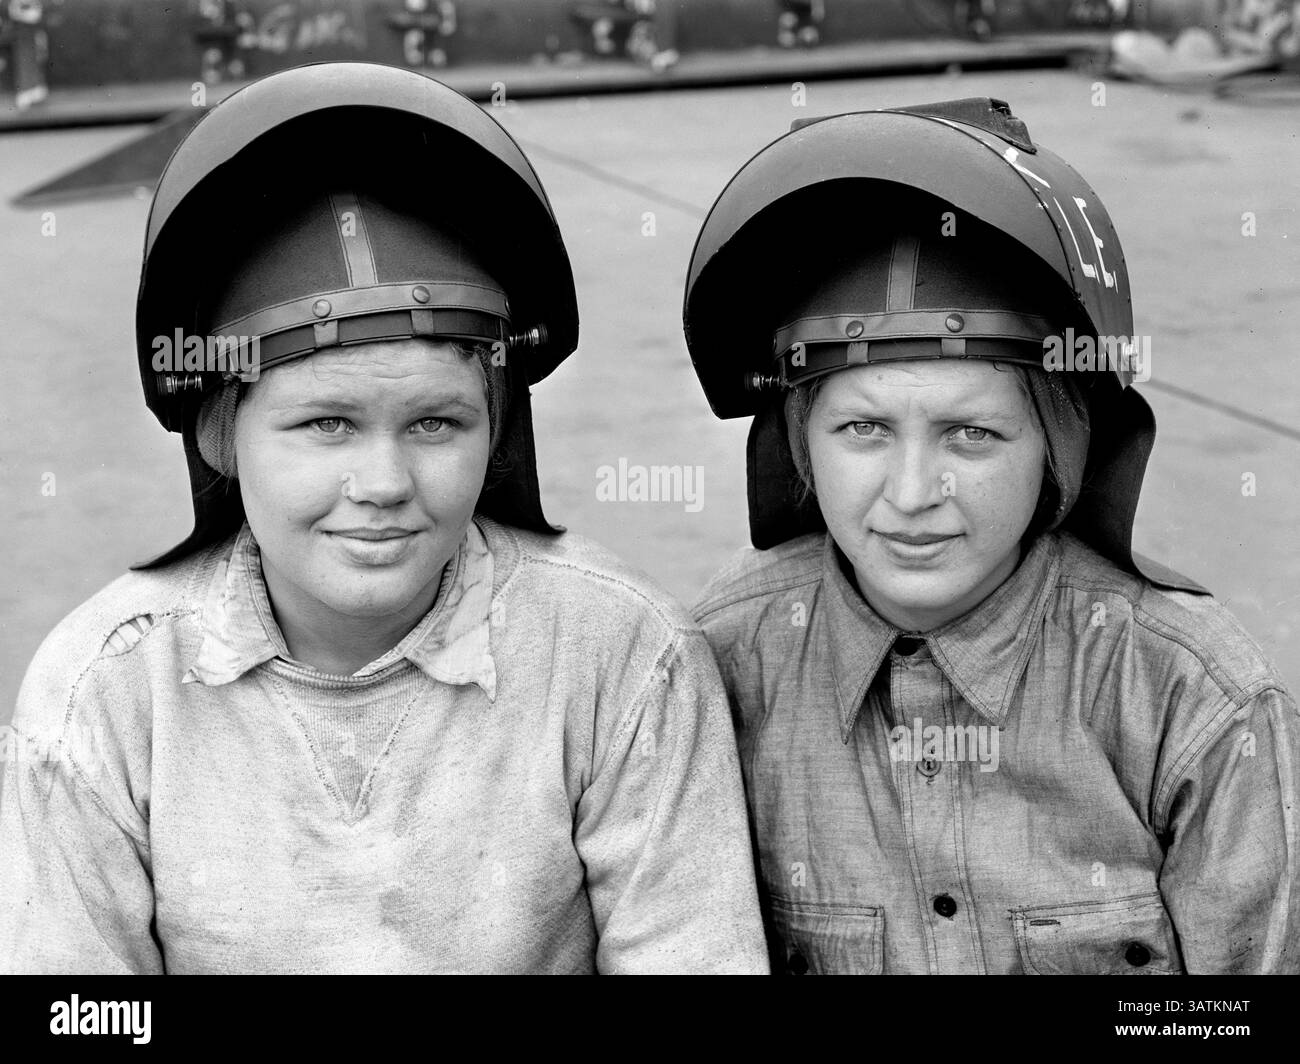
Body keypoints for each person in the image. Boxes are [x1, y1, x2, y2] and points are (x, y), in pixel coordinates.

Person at [0, 61, 767, 975]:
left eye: (436, 423)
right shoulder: (105, 693)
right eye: (326, 424)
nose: (385, 481)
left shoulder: (622, 661)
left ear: (498, 430)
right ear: (219, 432)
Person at [681, 98, 1299, 974]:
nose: (910, 494)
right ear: (798, 445)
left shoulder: (1188, 697)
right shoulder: (720, 666)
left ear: (1061, 444)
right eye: (862, 430)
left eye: (973, 434)